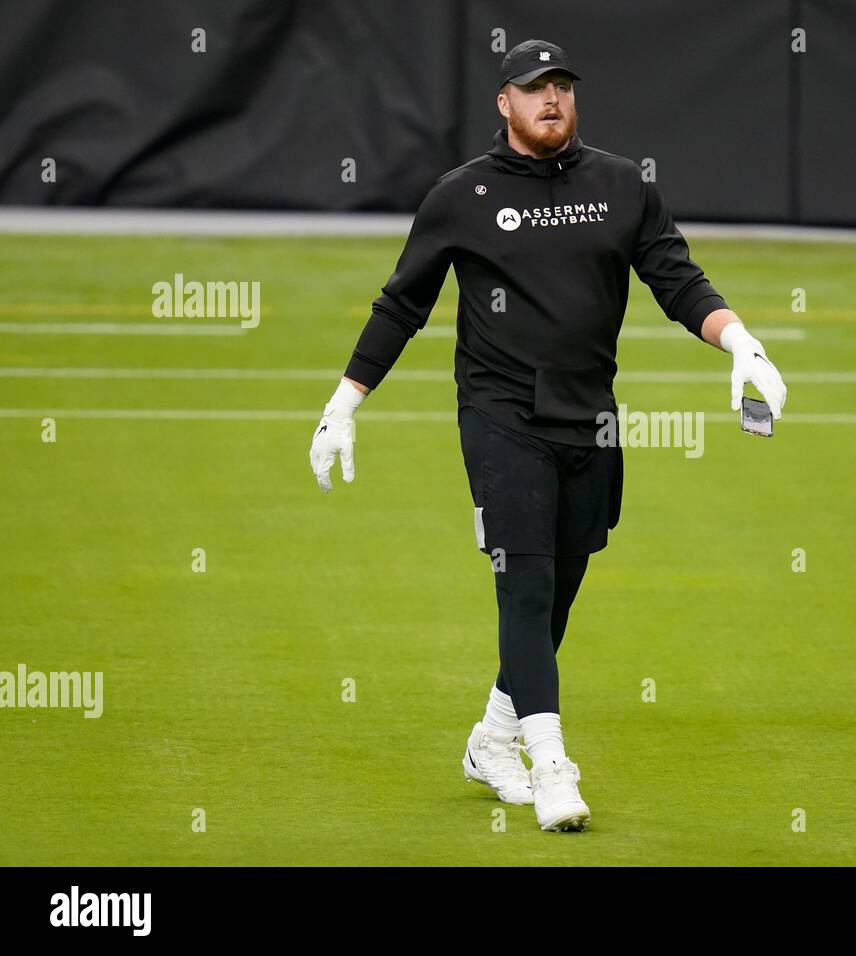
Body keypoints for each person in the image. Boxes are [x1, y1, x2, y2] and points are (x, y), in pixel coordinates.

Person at [309, 39, 787, 831]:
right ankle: (551, 763)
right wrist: (345, 401)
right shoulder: (461, 195)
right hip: (499, 415)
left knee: (558, 590)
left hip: (590, 414)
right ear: (505, 102)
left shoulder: (621, 184)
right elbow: (403, 304)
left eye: (562, 86)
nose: (552, 99)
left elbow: (675, 276)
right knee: (525, 583)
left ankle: (492, 740)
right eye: (535, 89)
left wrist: (743, 344)